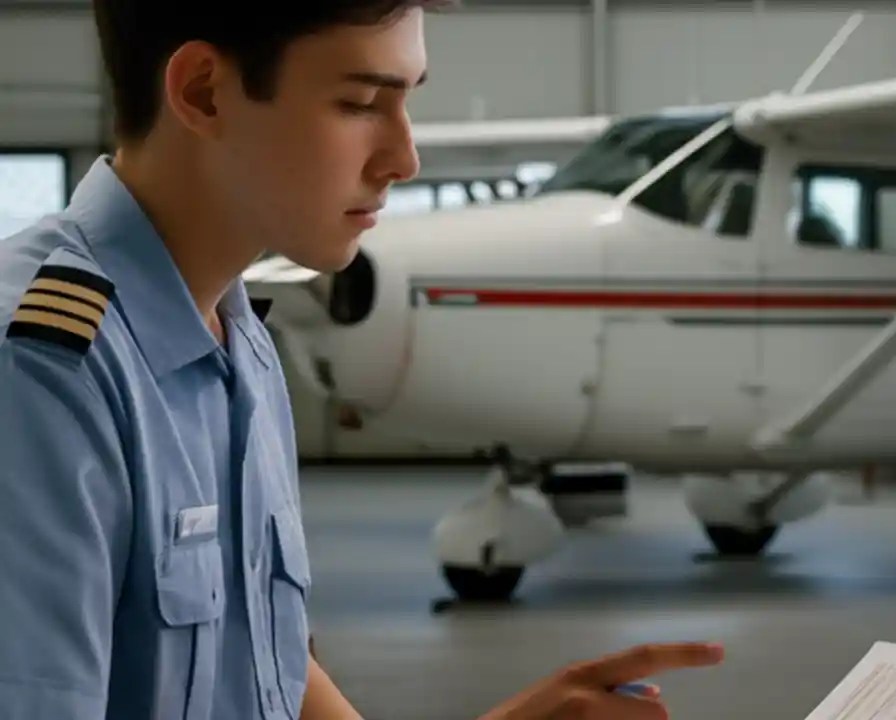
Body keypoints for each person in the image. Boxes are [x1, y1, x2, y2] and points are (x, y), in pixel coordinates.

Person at [0, 1, 723, 718]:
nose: (404, 159)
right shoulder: (42, 377)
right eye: (358, 104)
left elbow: (264, 664)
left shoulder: (236, 337)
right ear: (202, 92)